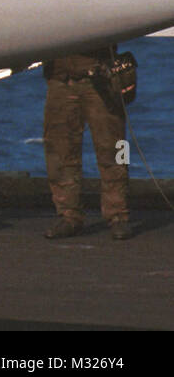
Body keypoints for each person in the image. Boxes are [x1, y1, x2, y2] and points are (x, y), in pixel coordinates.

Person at [43, 48, 133, 240]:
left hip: (99, 79)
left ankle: (118, 215)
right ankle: (68, 215)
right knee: (60, 152)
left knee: (114, 150)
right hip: (60, 80)